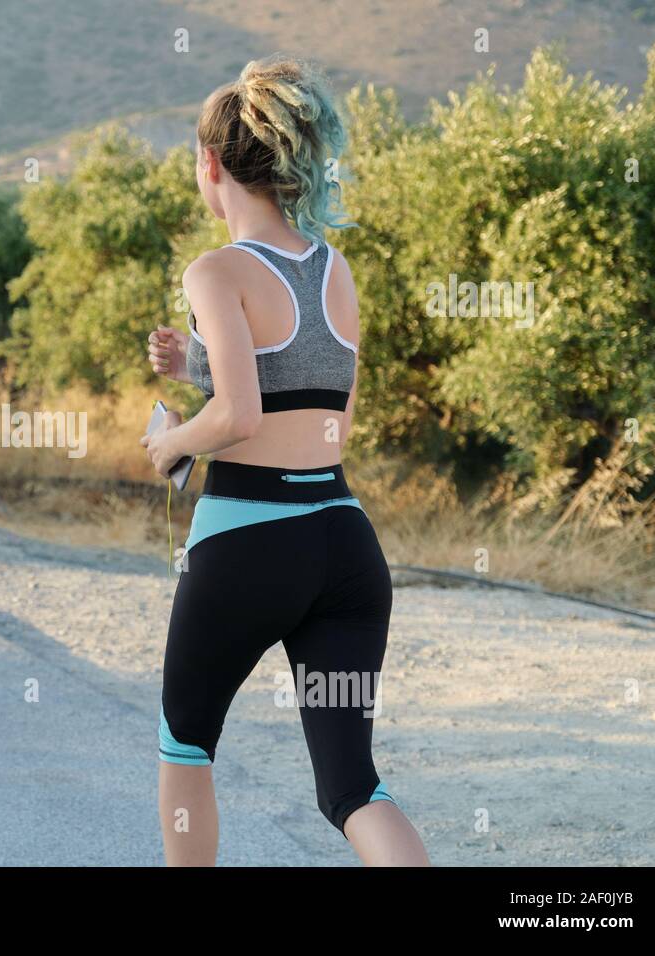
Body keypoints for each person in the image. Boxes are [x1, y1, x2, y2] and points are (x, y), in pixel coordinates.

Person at [140, 57, 430, 866]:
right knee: (350, 787)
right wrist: (199, 364)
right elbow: (319, 409)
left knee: (186, 746)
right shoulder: (335, 270)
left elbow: (238, 417)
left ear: (210, 165)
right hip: (344, 546)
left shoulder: (213, 270)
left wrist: (169, 441)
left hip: (247, 544)